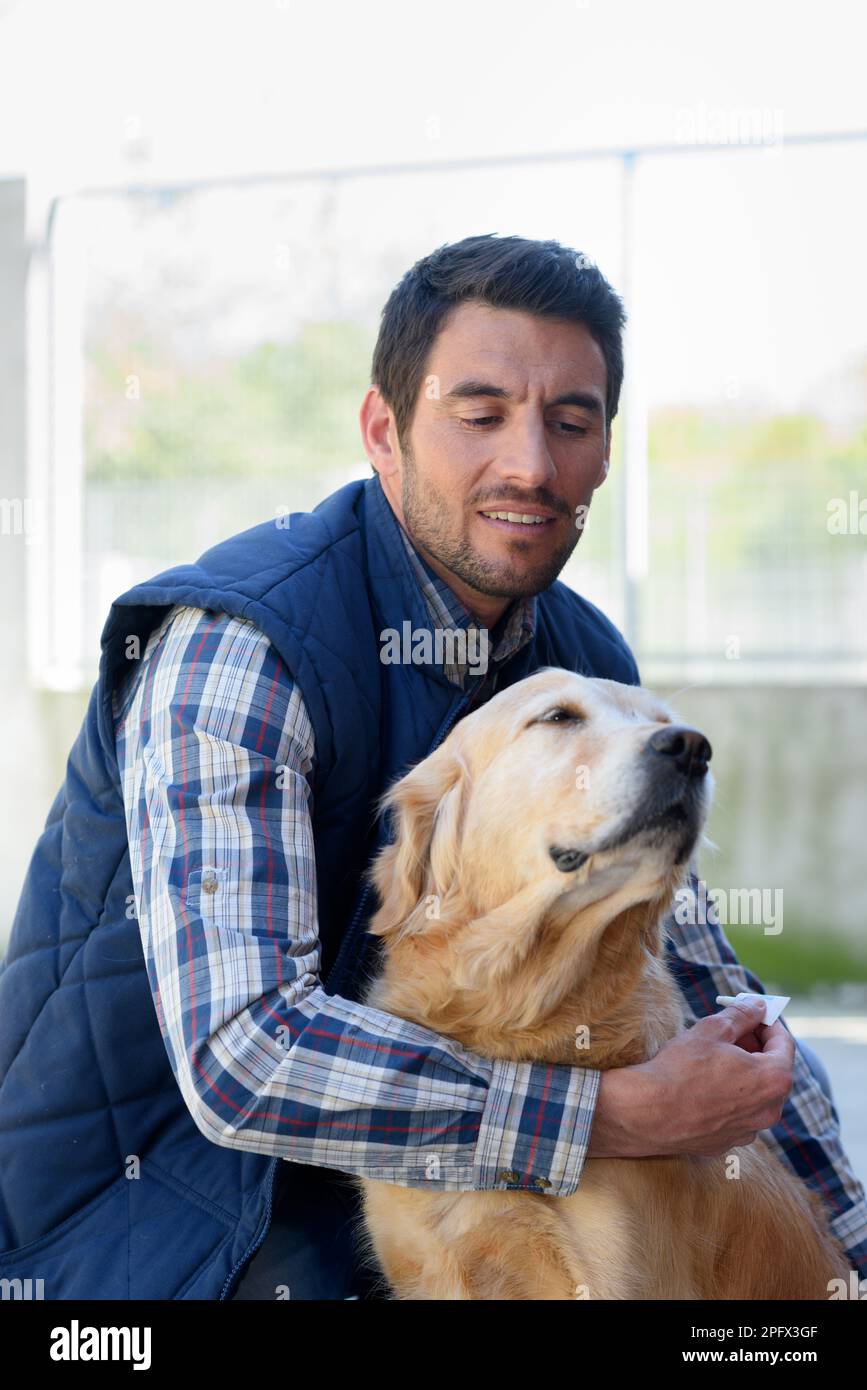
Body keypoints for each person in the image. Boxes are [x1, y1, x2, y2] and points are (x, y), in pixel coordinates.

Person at [1, 234, 863, 1303]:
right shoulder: (244, 647)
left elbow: (706, 986)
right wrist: (616, 1116)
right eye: (481, 411)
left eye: (571, 421)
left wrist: (853, 1250)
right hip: (177, 1194)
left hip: (443, 1159)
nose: (531, 465)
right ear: (384, 429)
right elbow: (246, 1057)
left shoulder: (593, 674)